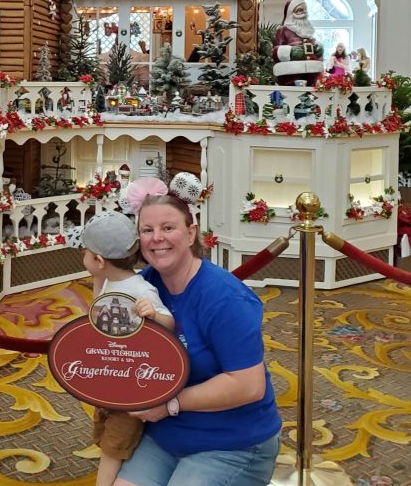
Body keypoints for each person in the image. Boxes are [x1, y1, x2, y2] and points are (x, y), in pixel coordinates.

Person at [114, 180, 282, 486]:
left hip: (233, 442)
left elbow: (248, 386)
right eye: (147, 230)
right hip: (164, 436)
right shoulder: (144, 287)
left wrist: (169, 404)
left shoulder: (225, 298)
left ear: (191, 234)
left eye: (168, 228)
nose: (157, 239)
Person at [81, 211, 175, 486]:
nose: (83, 259)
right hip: (111, 377)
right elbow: (96, 315)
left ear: (98, 260)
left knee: (114, 446)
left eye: (85, 254)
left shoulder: (140, 289)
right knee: (104, 433)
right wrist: (98, 279)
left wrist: (155, 316)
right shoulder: (109, 280)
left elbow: (169, 324)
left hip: (132, 388)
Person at [272, 0, 324, 86]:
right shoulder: (283, 30)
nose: (304, 12)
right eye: (300, 10)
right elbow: (275, 52)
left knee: (311, 95)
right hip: (291, 73)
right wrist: (291, 52)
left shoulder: (308, 30)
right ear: (292, 13)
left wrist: (318, 48)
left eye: (305, 9)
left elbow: (313, 46)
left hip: (312, 72)